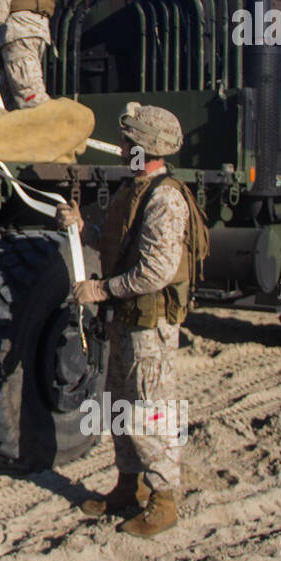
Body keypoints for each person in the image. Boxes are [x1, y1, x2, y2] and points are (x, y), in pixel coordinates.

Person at [58, 103, 207, 538]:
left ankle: (164, 500)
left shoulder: (165, 198)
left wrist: (99, 290)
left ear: (146, 149)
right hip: (128, 321)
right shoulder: (134, 191)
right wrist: (81, 226)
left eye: (129, 141)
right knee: (121, 407)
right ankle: (129, 486)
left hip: (150, 326)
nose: (122, 147)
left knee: (150, 412)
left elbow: (155, 272)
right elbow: (116, 244)